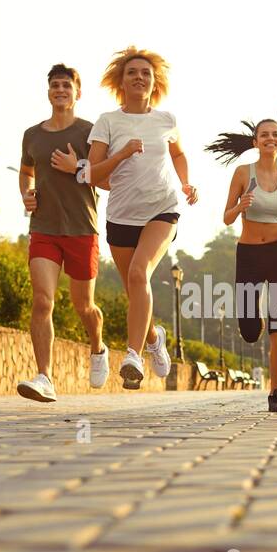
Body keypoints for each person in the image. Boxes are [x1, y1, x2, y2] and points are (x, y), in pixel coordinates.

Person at [65, 47, 198, 389]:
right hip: (122, 215)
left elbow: (179, 153)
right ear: (121, 82)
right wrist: (123, 153)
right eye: (132, 73)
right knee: (135, 288)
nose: (139, 77)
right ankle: (155, 339)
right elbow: (93, 175)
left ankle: (133, 355)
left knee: (139, 274)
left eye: (145, 73)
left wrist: (185, 182)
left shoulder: (166, 120)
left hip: (162, 208)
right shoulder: (108, 122)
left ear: (154, 83)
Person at [15, 64, 107, 403]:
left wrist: (78, 167)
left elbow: (106, 176)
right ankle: (45, 377)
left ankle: (98, 348)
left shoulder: (91, 132)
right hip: (44, 228)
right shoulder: (32, 135)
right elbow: (26, 171)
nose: (60, 90)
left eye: (66, 85)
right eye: (54, 85)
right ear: (48, 91)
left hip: (82, 228)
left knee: (84, 306)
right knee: (42, 301)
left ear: (77, 93)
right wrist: (26, 192)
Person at [205, 119, 277, 412]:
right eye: (264, 135)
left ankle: (275, 392)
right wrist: (240, 206)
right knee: (249, 330)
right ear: (255, 142)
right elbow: (226, 217)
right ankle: (254, 317)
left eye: (275, 135)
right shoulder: (242, 174)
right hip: (248, 255)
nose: (270, 138)